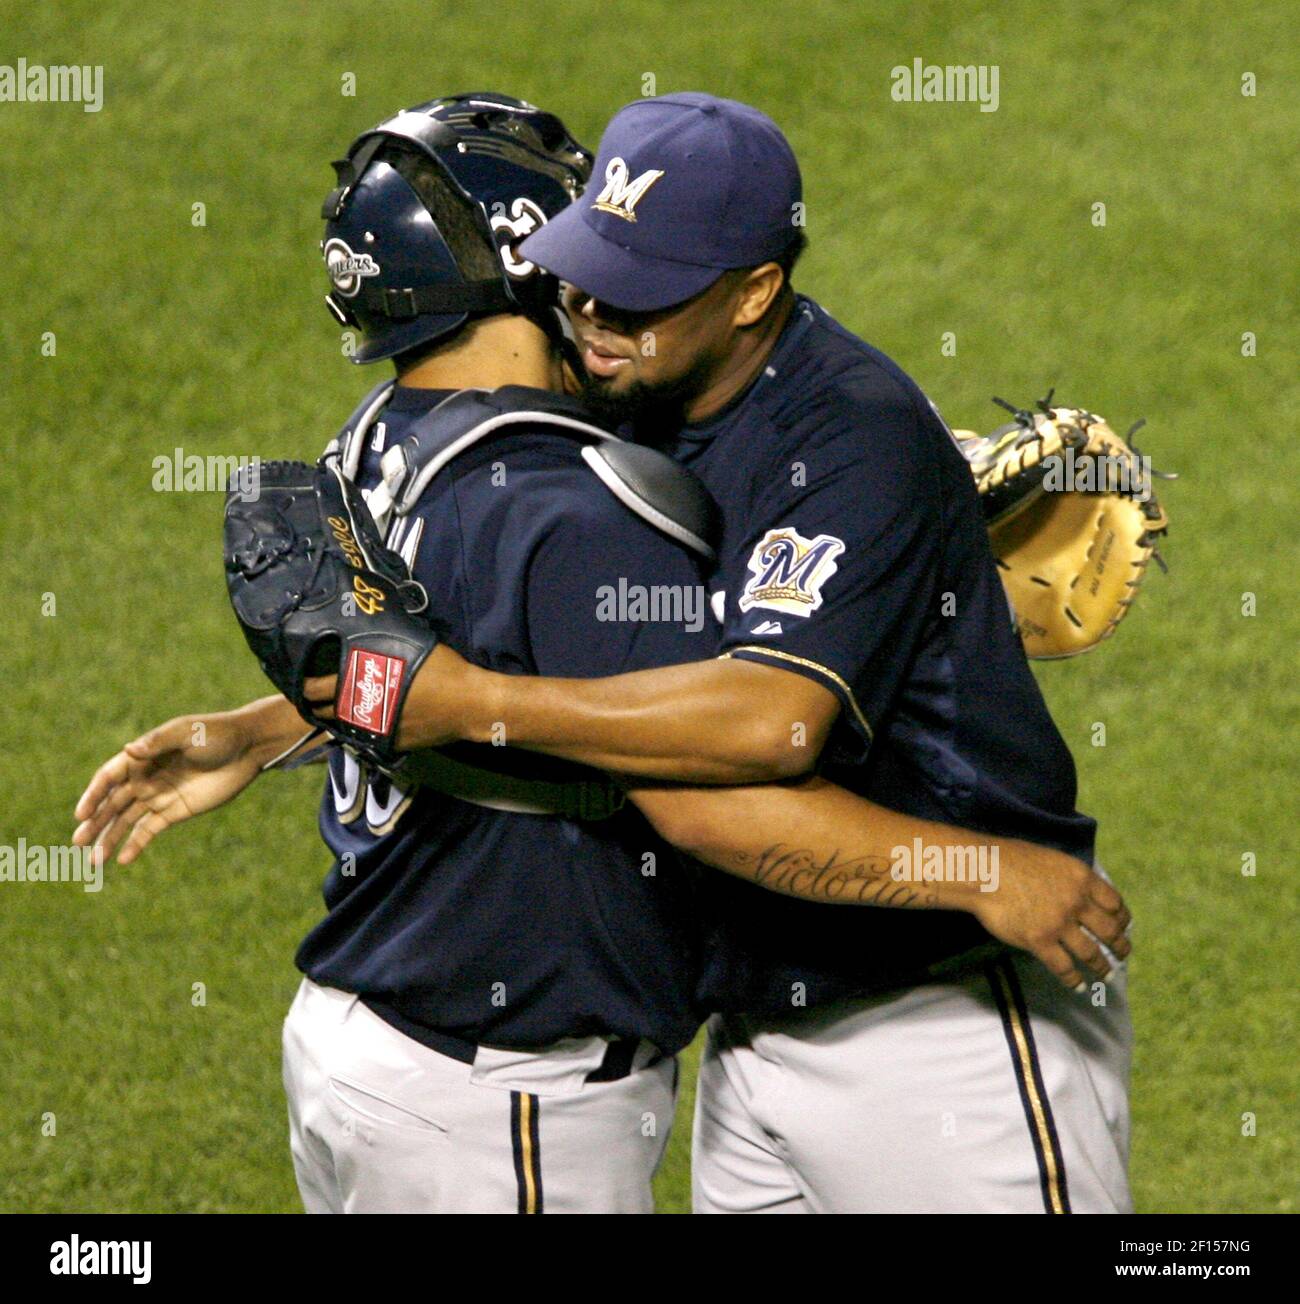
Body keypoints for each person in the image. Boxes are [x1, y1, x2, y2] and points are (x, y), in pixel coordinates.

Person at [315, 92, 1135, 1213]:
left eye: (639, 291)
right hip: (748, 1042)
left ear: (754, 291)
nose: (593, 313)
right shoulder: (630, 382)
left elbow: (768, 724)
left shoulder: (853, 437)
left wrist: (463, 705)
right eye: (581, 267)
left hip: (944, 1024)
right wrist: (290, 717)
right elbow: (512, 625)